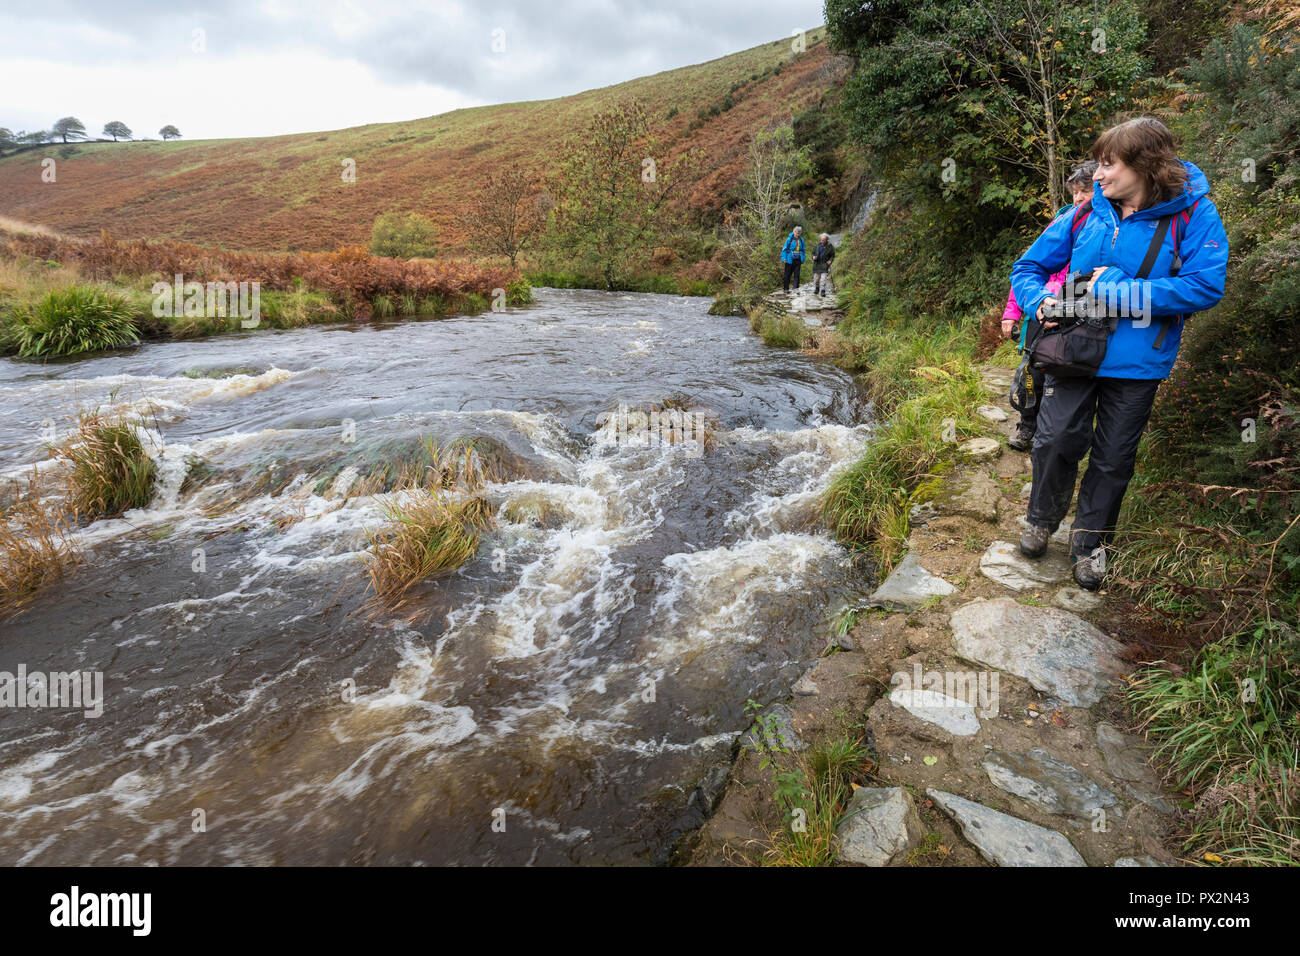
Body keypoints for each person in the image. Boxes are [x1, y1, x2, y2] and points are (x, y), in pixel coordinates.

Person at [1009, 116, 1229, 591]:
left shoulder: (1194, 215)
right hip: (1073, 349)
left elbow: (1205, 286)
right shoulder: (1088, 212)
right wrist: (1038, 301)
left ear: (1145, 165)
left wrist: (1125, 292)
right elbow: (1027, 266)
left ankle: (1089, 544)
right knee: (1053, 440)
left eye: (1109, 165)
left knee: (1113, 458)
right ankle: (1041, 519)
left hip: (1138, 362)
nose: (1100, 175)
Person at [1004, 161, 1098, 451]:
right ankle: (1026, 427)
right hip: (1042, 310)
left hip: (1077, 317)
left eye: (1085, 191)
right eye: (1075, 192)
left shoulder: (1111, 230)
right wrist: (1012, 312)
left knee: (1059, 375)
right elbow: (1028, 270)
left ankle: (1048, 436)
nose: (1079, 198)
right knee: (1031, 372)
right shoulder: (1062, 222)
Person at [780, 225, 806, 292]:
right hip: (789, 259)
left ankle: (795, 289)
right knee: (787, 274)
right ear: (794, 232)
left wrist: (803, 258)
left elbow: (803, 250)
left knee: (797, 275)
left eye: (799, 233)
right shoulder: (789, 239)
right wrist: (784, 259)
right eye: (797, 232)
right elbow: (784, 249)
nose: (798, 234)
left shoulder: (801, 240)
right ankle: (786, 289)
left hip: (798, 259)